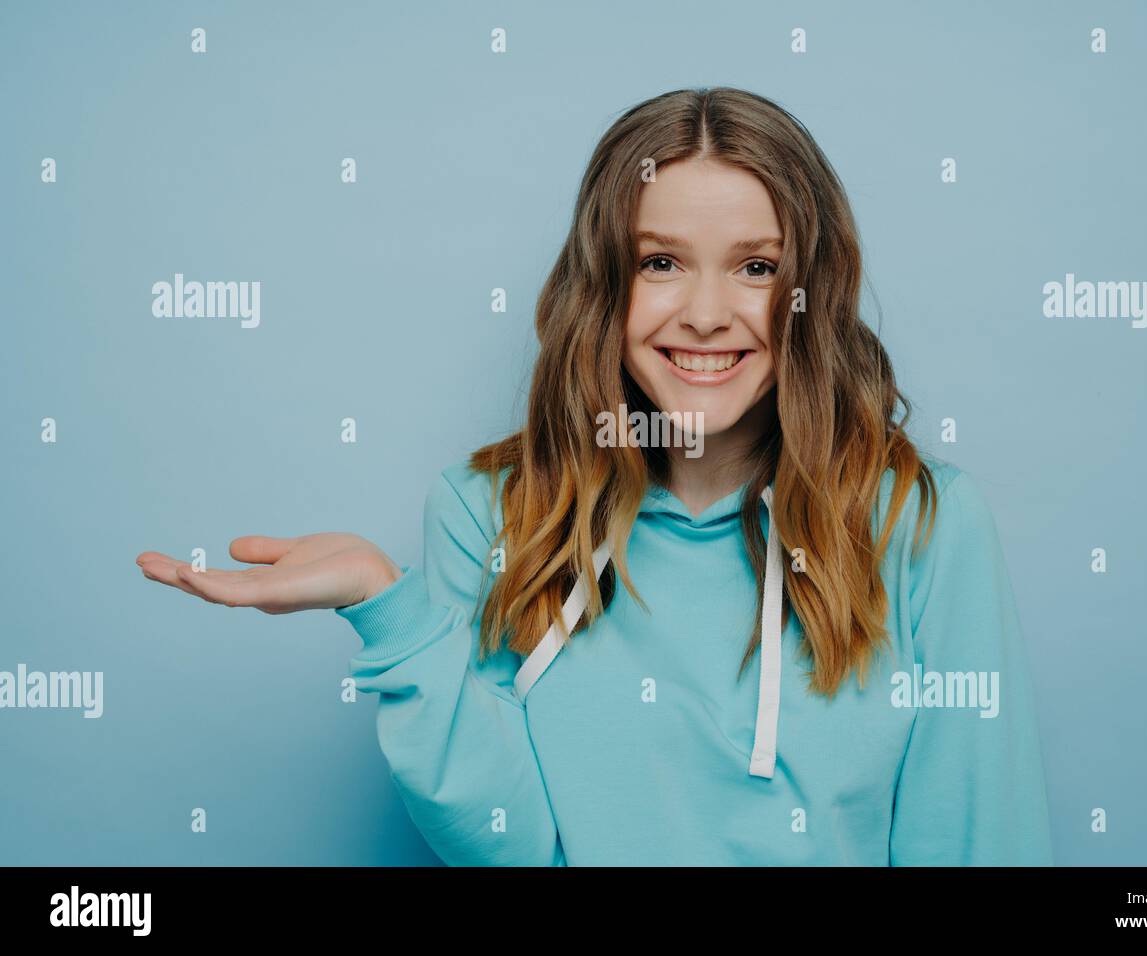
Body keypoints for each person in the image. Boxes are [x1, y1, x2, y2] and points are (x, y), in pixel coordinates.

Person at [137, 87, 1053, 867]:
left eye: (756, 268)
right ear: (603, 290)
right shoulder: (488, 513)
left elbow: (981, 837)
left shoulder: (922, 525)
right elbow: (512, 845)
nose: (704, 314)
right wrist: (390, 609)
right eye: (660, 263)